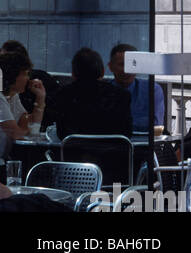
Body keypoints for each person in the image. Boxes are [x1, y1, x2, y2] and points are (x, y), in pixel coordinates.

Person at [51, 47, 132, 181]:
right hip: (114, 169)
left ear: (73, 73)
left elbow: (61, 133)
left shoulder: (63, 95)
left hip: (73, 169)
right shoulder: (121, 95)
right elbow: (127, 132)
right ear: (102, 71)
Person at [108, 43, 166, 132]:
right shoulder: (103, 92)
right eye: (122, 64)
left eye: (132, 64)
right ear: (110, 67)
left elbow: (156, 125)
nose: (127, 70)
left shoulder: (152, 90)